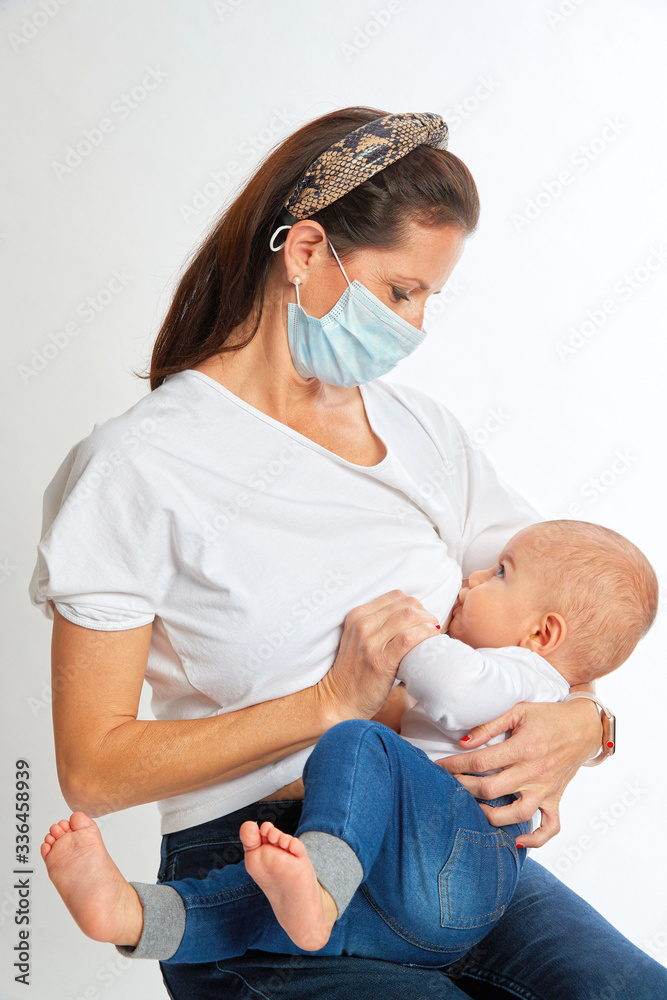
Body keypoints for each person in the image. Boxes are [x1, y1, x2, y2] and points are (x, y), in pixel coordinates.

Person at [28, 106, 667, 998]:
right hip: (255, 862)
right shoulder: (135, 469)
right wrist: (328, 704)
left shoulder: (422, 436)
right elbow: (92, 769)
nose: (412, 326)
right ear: (305, 254)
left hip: (451, 843)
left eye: (426, 301)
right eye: (400, 292)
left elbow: (563, 610)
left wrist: (583, 723)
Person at [39, 519, 659, 970]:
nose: (473, 576)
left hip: (454, 857)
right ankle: (135, 914)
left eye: (499, 573)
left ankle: (319, 885)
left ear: (541, 634)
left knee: (360, 742)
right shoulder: (524, 667)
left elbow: (453, 690)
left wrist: (414, 638)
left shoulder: (523, 676)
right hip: (414, 892)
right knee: (262, 908)